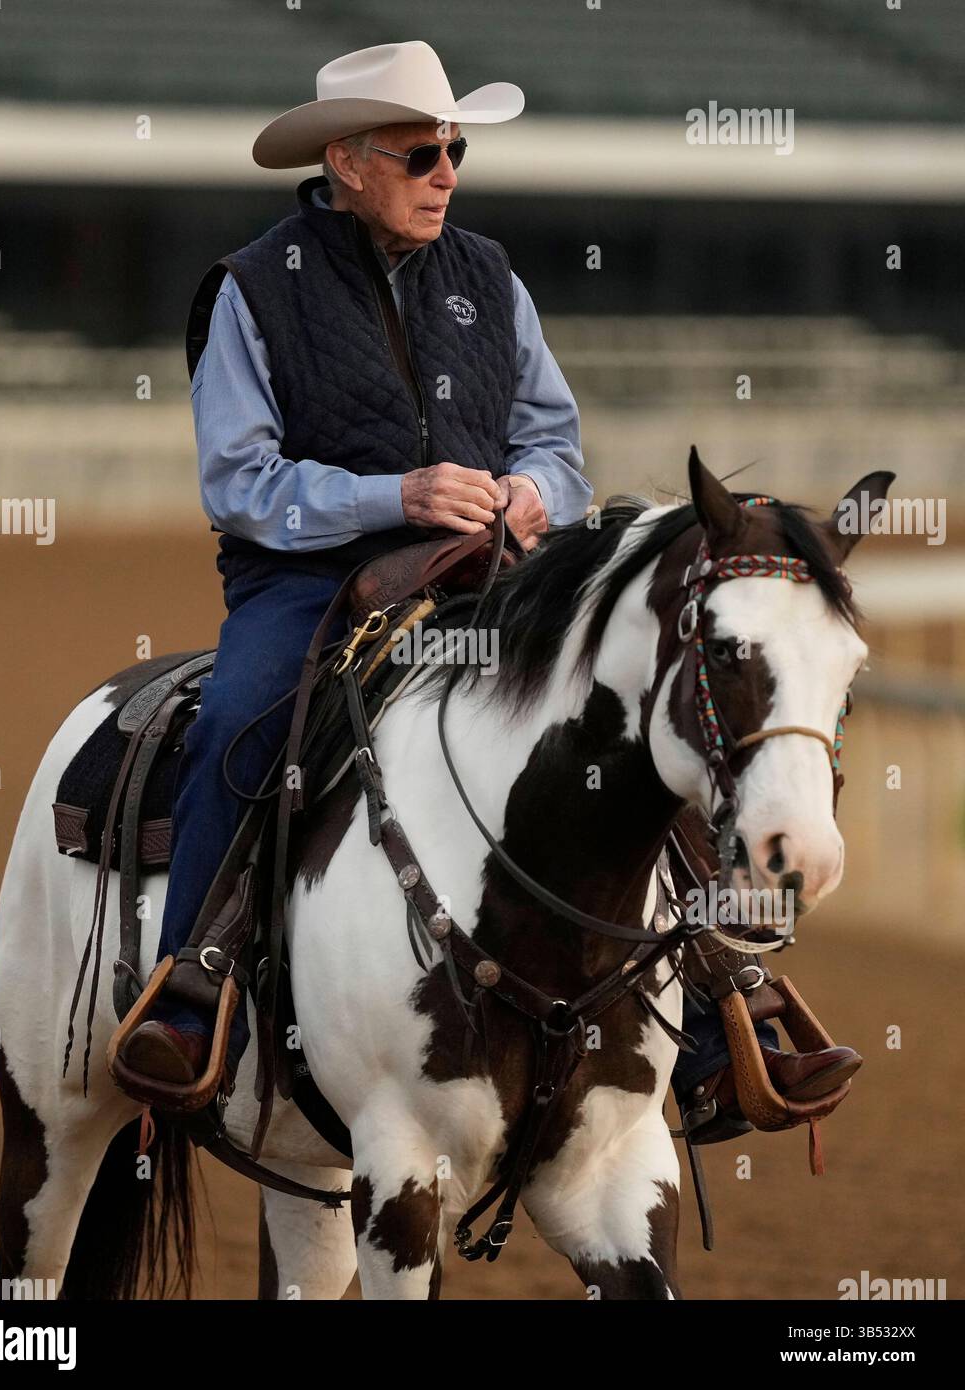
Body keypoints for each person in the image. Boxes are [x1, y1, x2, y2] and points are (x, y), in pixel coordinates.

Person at [122, 41, 860, 1138]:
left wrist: (528, 494)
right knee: (242, 716)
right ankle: (196, 985)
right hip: (309, 587)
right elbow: (240, 484)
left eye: (455, 149)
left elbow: (556, 448)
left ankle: (714, 1006)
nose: (447, 171)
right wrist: (397, 494)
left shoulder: (488, 275)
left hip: (490, 581)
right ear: (346, 160)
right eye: (422, 151)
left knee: (622, 719)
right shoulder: (248, 289)